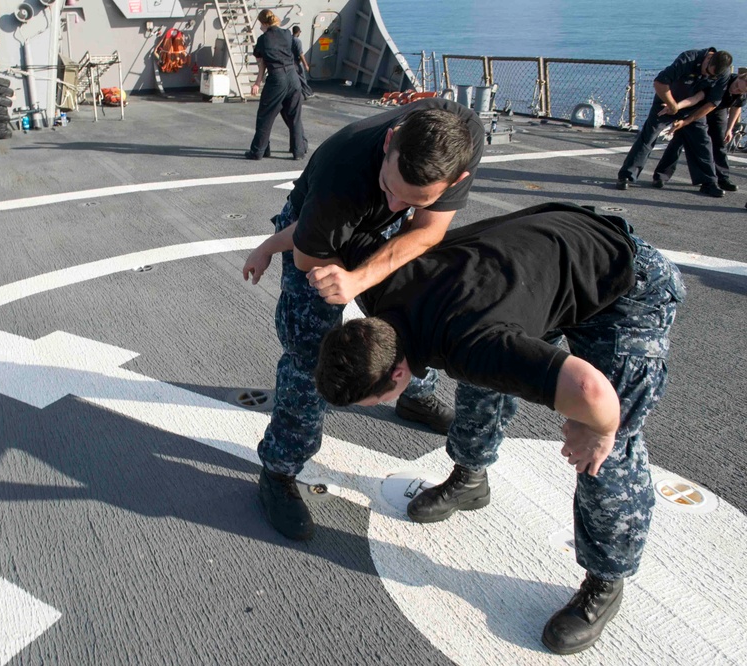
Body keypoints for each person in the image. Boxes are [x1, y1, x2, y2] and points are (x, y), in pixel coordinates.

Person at [314, 202, 684, 655]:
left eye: (373, 400)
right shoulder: (379, 289)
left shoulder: (471, 342)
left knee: (605, 449)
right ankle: (470, 478)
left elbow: (591, 391)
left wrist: (601, 428)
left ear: (396, 376)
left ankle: (606, 581)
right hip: (541, 266)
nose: (376, 406)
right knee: (481, 380)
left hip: (623, 284)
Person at [241, 98, 485, 541]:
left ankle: (414, 394)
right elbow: (307, 255)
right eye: (390, 188)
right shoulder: (343, 174)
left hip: (381, 231)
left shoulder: (461, 138)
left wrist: (366, 276)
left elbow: (427, 229)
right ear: (389, 143)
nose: (395, 202)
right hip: (318, 229)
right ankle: (278, 470)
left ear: (458, 178)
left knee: (411, 313)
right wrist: (348, 280)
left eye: (409, 199)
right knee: (310, 352)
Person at [616, 48, 731, 197]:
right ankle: (626, 176)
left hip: (691, 106)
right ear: (708, 59)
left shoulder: (723, 73)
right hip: (666, 101)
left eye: (711, 76)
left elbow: (712, 103)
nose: (706, 75)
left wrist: (687, 120)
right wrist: (672, 106)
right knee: (648, 136)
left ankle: (709, 183)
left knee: (702, 141)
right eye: (707, 71)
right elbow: (660, 83)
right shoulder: (688, 58)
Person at [652, 71, 747, 192]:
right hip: (699, 106)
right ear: (738, 77)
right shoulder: (721, 82)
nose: (736, 90)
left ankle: (722, 178)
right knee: (679, 140)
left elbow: (736, 107)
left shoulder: (742, 94)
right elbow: (696, 98)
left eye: (740, 91)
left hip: (718, 110)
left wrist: (729, 129)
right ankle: (661, 175)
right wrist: (676, 107)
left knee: (719, 142)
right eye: (736, 86)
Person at [245, 10, 306, 160]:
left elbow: (262, 64)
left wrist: (257, 83)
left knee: (265, 116)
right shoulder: (287, 33)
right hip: (293, 77)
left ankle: (259, 151)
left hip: (277, 78)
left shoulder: (263, 39)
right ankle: (298, 151)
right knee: (294, 116)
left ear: (264, 23)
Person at [290, 25, 314, 99]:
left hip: (290, 62)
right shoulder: (297, 41)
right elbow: (301, 54)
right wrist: (306, 65)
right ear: (298, 32)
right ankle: (307, 93)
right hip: (296, 63)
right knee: (302, 78)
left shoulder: (289, 39)